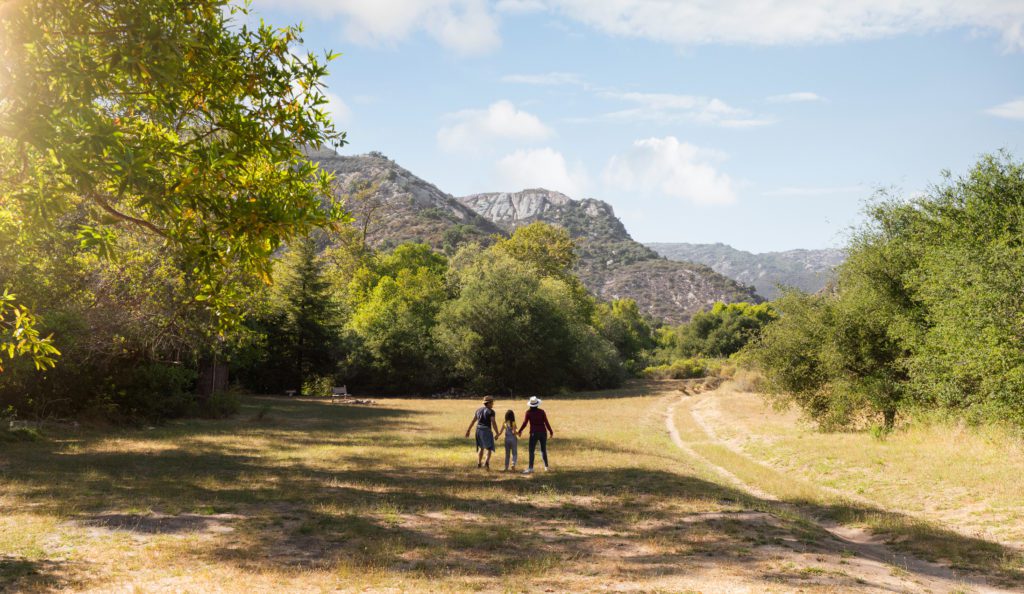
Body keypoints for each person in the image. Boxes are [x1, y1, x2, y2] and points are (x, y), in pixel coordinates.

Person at [517, 396, 553, 474]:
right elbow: (546, 422)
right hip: (543, 432)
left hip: (534, 433)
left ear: (530, 404)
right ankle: (546, 467)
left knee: (531, 451)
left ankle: (531, 468)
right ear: (537, 404)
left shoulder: (528, 413)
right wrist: (550, 431)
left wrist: (520, 431)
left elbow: (525, 423)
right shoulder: (542, 411)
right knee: (543, 450)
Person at [465, 395, 499, 470]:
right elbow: (493, 422)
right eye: (492, 402)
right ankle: (486, 462)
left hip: (478, 430)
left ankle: (479, 463)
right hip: (486, 430)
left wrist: (468, 430)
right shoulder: (491, 412)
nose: (493, 404)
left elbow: (473, 421)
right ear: (489, 403)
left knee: (481, 448)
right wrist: (497, 433)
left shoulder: (478, 410)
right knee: (489, 448)